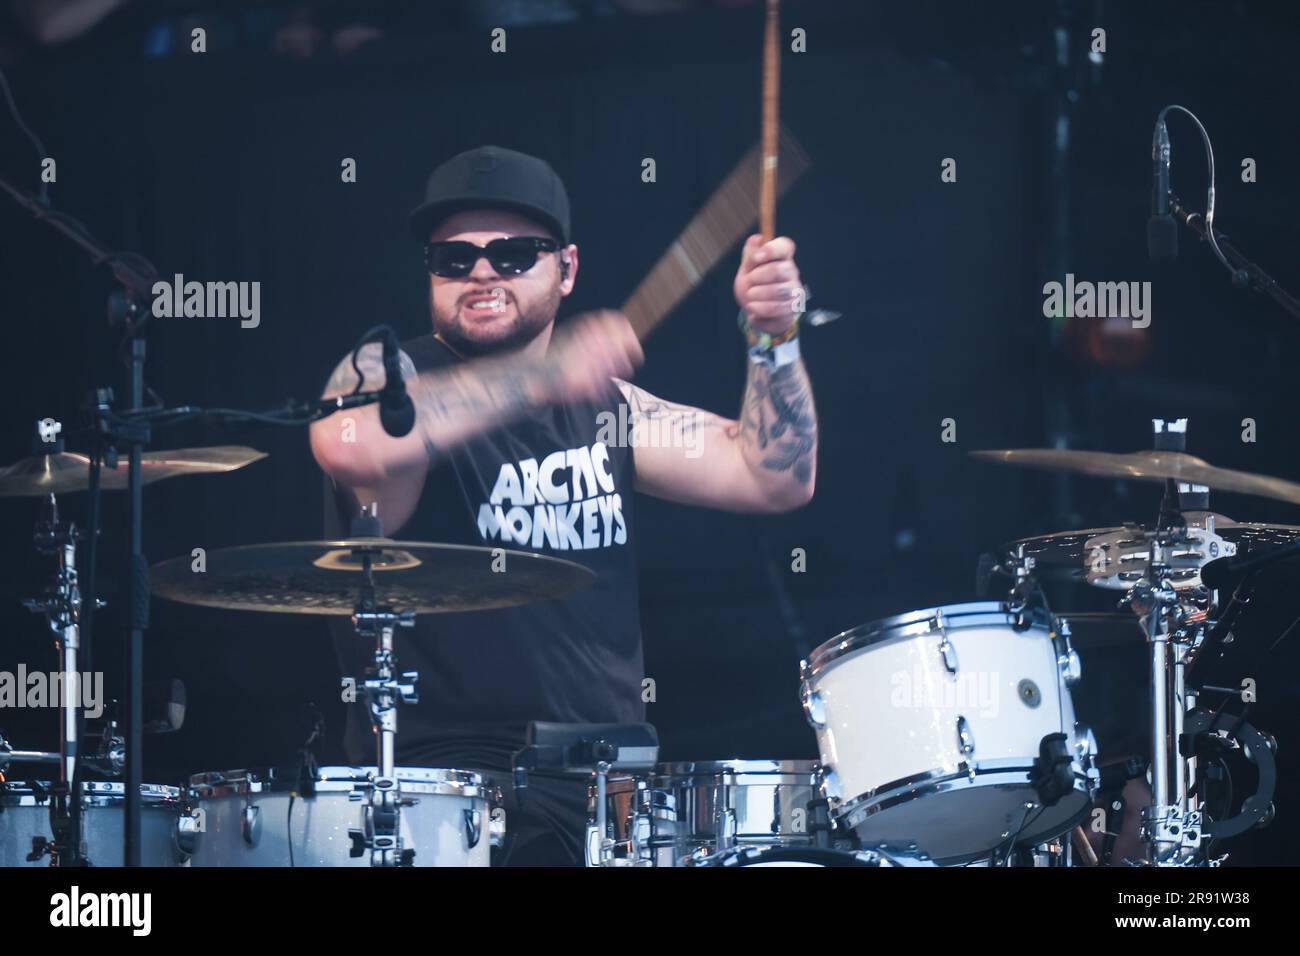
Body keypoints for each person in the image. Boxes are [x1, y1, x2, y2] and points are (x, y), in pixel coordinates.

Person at [310, 144, 818, 865]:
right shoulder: (392, 375)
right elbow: (352, 444)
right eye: (453, 259)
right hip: (451, 796)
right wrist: (543, 376)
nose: (482, 272)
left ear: (567, 268)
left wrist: (774, 339)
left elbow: (774, 475)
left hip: (611, 788)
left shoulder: (608, 409)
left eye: (515, 254)